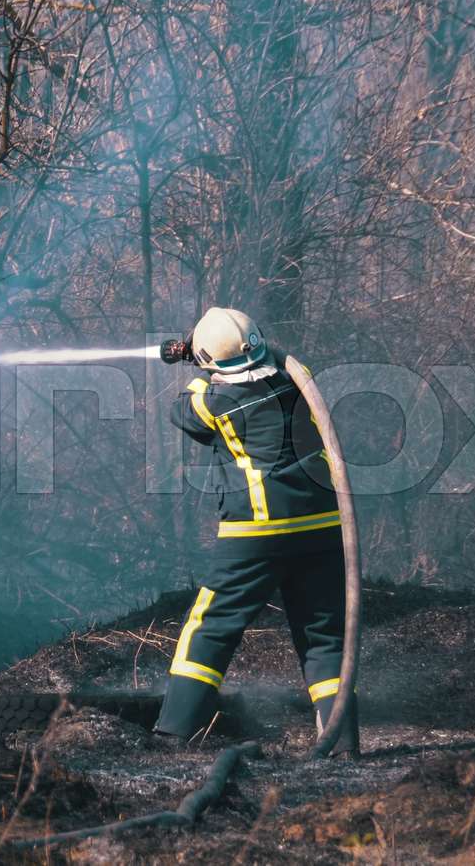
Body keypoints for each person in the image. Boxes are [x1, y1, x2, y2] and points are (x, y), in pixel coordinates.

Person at [155, 306, 359, 757]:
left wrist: (194, 363)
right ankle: (342, 742)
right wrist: (206, 351)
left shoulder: (213, 402)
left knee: (211, 625)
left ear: (210, 361)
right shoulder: (297, 376)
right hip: (325, 525)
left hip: (256, 533)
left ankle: (174, 731)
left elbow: (182, 410)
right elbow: (269, 362)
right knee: (324, 635)